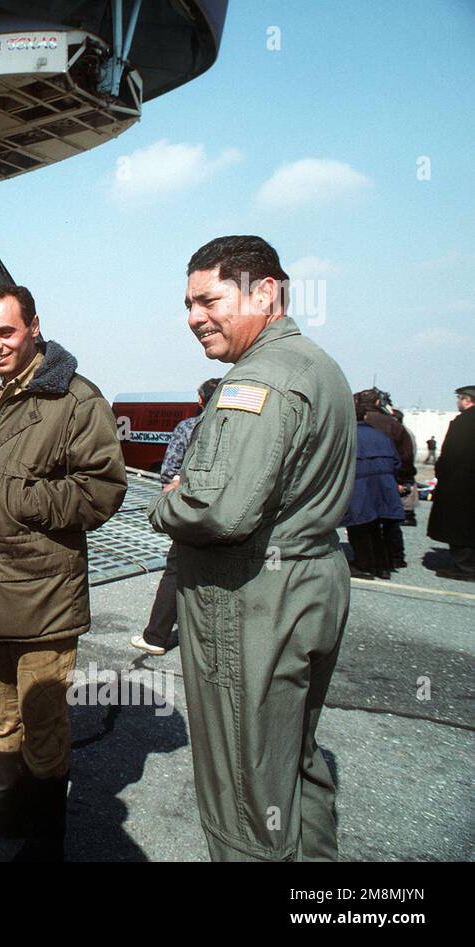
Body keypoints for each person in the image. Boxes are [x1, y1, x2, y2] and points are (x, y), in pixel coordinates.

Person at [149, 236, 354, 861]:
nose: (193, 318)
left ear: (264, 292)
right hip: (308, 581)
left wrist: (166, 503)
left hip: (252, 600)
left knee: (244, 791)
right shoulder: (315, 365)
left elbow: (220, 509)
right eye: (188, 304)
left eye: (208, 300)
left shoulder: (257, 380)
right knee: (292, 765)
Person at [0, 284, 126, 860]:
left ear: (34, 327)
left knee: (43, 720)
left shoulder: (74, 399)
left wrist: (25, 499)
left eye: (6, 332)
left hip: (43, 592)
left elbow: (104, 488)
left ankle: (46, 836)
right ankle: (5, 809)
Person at [131, 376, 221, 656]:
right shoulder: (233, 429)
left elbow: (169, 470)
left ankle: (156, 636)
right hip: (226, 514)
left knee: (176, 570)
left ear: (200, 400)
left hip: (190, 512)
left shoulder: (189, 426)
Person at [343, 392, 405, 579]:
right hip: (385, 485)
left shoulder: (348, 437)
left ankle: (364, 566)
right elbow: (397, 462)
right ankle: (384, 567)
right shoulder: (381, 436)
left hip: (360, 484)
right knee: (379, 528)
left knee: (359, 527)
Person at [357, 389, 414, 566]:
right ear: (377, 403)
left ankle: (368, 560)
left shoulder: (354, 422)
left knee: (363, 521)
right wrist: (404, 480)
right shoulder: (392, 424)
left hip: (359, 477)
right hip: (388, 478)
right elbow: (405, 455)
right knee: (390, 521)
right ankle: (395, 559)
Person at [427, 385, 475, 581]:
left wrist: (442, 472)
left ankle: (465, 567)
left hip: (460, 485)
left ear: (467, 400)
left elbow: (451, 455)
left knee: (458, 526)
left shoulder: (463, 422)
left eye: (460, 398)